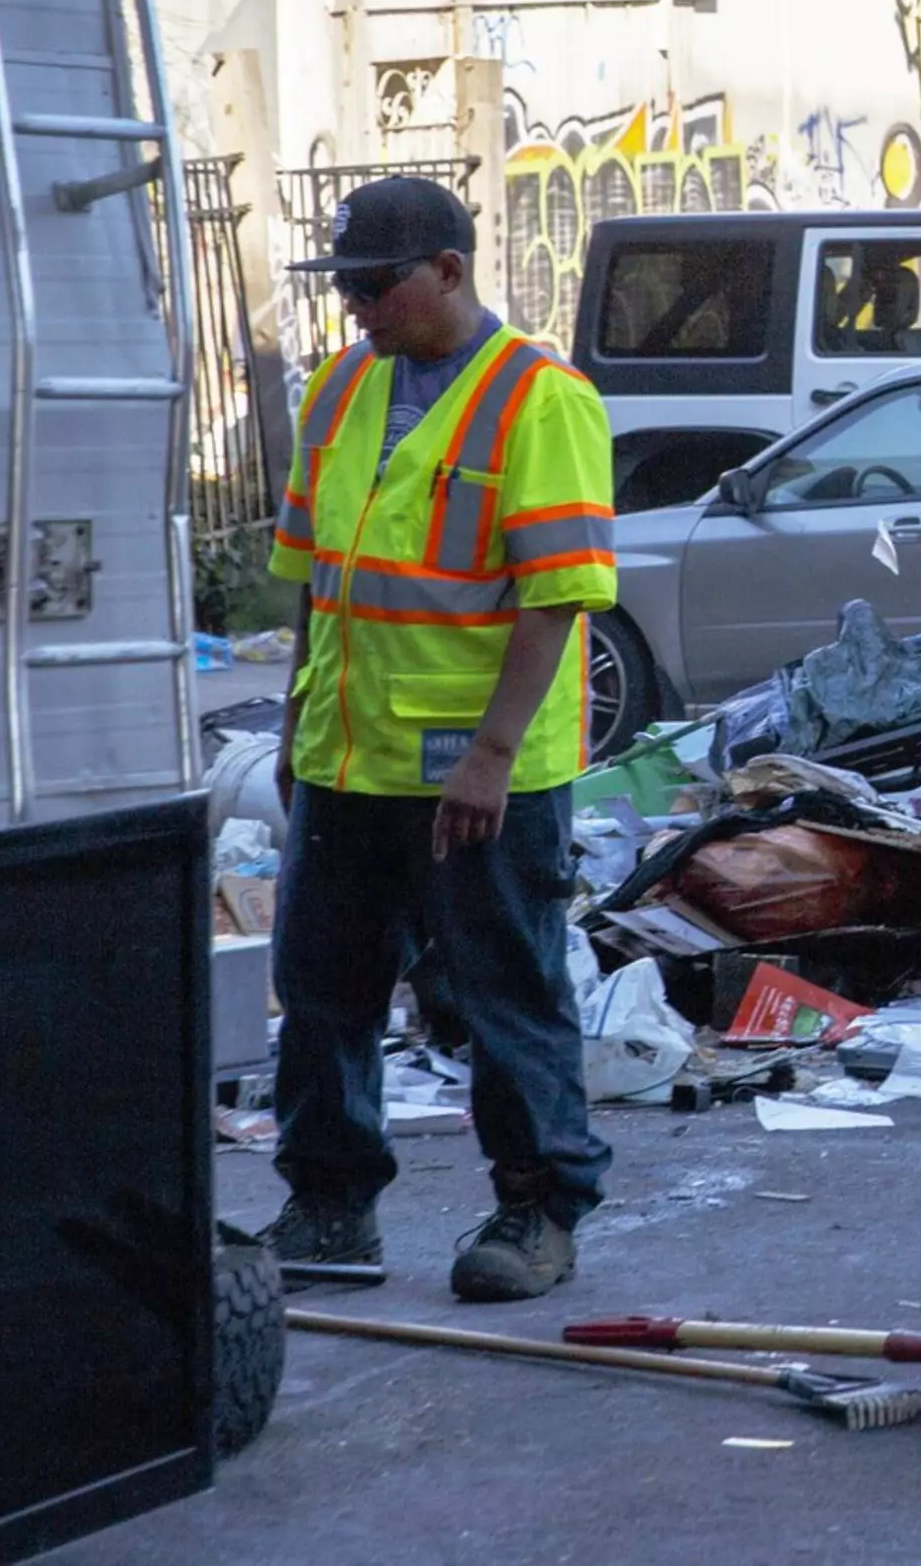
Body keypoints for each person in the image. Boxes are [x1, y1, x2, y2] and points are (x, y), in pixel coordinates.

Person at [260, 176, 620, 1301]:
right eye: (345, 286)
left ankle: (538, 1210)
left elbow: (557, 595)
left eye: (374, 285)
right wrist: (294, 717)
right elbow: (320, 578)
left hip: (474, 769)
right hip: (346, 754)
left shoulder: (539, 398)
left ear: (450, 272)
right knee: (322, 986)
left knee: (500, 988)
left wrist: (493, 752)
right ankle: (329, 1205)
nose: (356, 307)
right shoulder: (341, 388)